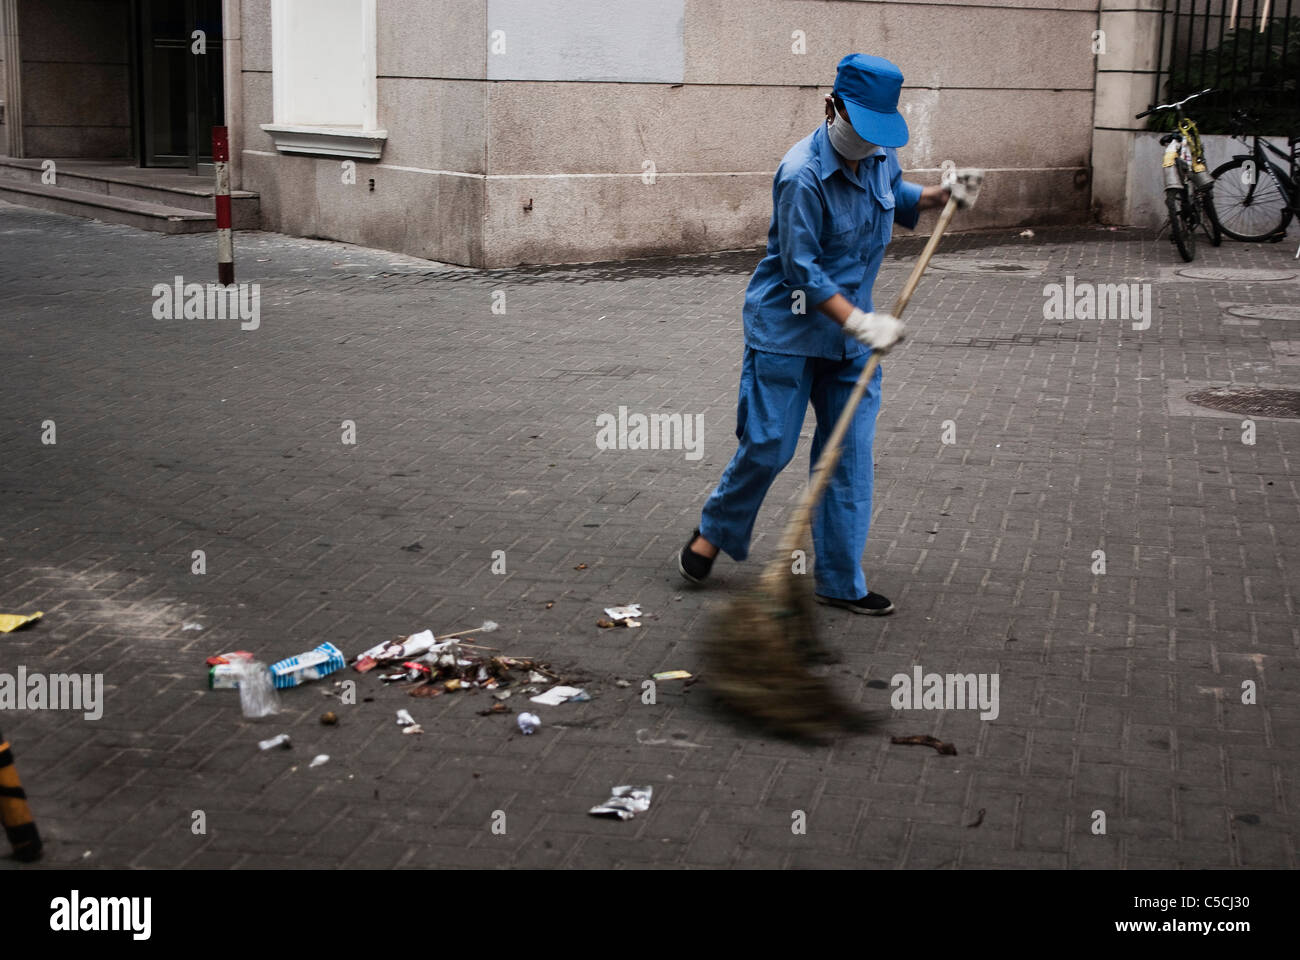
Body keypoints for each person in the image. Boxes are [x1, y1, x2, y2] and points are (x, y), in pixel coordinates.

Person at [677, 54, 950, 615]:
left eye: (879, 134)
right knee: (769, 446)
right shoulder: (800, 173)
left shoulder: (878, 152)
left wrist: (936, 196)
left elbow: (891, 191)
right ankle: (716, 528)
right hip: (789, 329)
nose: (870, 144)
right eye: (861, 128)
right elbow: (801, 269)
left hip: (851, 342)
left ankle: (839, 581)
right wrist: (858, 320)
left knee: (849, 453)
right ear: (832, 107)